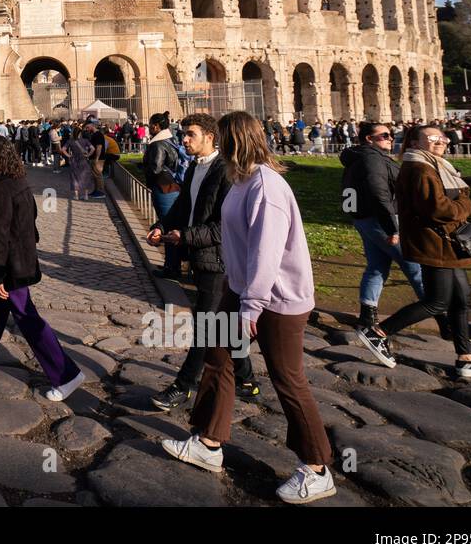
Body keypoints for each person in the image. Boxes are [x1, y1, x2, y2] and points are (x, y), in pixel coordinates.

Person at [161, 112, 335, 504]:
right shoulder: (240, 182)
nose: (215, 145)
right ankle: (208, 442)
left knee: (287, 378)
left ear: (234, 140)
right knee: (217, 359)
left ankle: (318, 468)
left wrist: (251, 310)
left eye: (220, 138)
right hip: (239, 288)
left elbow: (266, 255)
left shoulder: (265, 188)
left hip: (277, 299)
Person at [356, 126, 471, 379]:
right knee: (437, 301)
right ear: (415, 142)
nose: (441, 141)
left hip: (447, 242)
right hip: (434, 242)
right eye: (432, 138)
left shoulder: (436, 165)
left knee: (461, 298)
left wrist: (460, 201)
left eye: (443, 137)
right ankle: (378, 332)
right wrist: (466, 203)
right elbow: (438, 208)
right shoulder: (419, 168)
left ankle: (465, 358)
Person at [0, 136, 86, 401]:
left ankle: (66, 374)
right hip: (20, 258)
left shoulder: (0, 189)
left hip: (10, 265)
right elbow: (31, 222)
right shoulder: (20, 181)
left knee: (28, 318)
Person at [147, 114, 260, 411]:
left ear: (210, 136)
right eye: (183, 134)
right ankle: (246, 379)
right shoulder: (196, 168)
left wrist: (183, 237)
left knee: (206, 326)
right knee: (219, 322)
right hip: (203, 256)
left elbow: (225, 226)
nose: (184, 139)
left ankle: (182, 387)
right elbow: (186, 206)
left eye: (190, 134)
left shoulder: (225, 172)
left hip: (220, 259)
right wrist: (161, 225)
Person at [341, 122, 428, 333]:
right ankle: (444, 316)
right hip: (381, 220)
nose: (391, 139)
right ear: (369, 139)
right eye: (385, 135)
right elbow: (379, 192)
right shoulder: (371, 158)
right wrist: (393, 228)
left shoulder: (360, 157)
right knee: (415, 266)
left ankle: (367, 318)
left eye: (391, 135)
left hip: (365, 219)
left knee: (377, 267)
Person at [142, 111, 181, 277]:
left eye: (151, 125)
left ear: (156, 126)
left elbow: (155, 168)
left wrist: (142, 166)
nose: (149, 128)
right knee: (170, 225)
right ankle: (171, 264)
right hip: (172, 186)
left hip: (163, 187)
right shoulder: (170, 139)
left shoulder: (157, 144)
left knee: (167, 227)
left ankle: (171, 268)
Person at [66, 127, 95, 201]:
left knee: (75, 178)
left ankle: (76, 196)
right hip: (84, 160)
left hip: (74, 160)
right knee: (85, 177)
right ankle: (85, 196)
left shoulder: (70, 141)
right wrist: (88, 155)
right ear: (80, 133)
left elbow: (63, 149)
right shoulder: (85, 140)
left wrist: (69, 156)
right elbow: (93, 148)